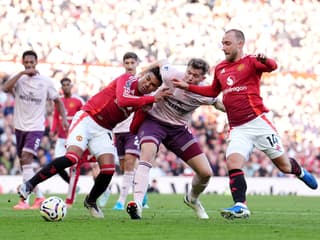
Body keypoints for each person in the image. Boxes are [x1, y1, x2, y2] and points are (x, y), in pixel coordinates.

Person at [172, 29, 318, 220]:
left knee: (284, 166)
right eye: (222, 43)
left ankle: (299, 171)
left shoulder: (251, 61)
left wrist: (265, 60)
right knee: (233, 162)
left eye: (227, 43)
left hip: (258, 122)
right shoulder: (221, 68)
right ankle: (240, 205)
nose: (223, 47)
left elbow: (273, 66)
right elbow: (212, 91)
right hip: (238, 127)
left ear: (240, 44)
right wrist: (188, 86)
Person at [17, 66, 171, 218]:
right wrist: (150, 99)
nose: (147, 84)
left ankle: (90, 201)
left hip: (104, 130)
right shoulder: (127, 79)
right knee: (72, 158)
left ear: (154, 89)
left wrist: (143, 111)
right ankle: (29, 185)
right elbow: (123, 100)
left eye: (152, 86)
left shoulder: (143, 100)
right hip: (87, 119)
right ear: (143, 74)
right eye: (147, 79)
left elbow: (133, 127)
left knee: (109, 169)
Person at [126, 58, 225, 220]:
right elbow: (161, 62)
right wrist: (144, 72)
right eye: (189, 73)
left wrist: (237, 109)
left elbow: (219, 104)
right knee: (147, 154)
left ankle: (192, 199)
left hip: (178, 130)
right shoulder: (171, 74)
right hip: (154, 122)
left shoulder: (204, 93)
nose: (190, 77)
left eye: (195, 76)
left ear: (203, 78)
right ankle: (137, 205)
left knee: (206, 172)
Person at [3, 50, 68, 210]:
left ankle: (25, 199)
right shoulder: (19, 80)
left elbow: (58, 101)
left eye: (32, 62)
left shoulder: (45, 82)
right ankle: (38, 197)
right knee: (24, 163)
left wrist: (63, 118)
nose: (30, 65)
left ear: (37, 62)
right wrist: (22, 73)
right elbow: (5, 88)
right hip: (19, 127)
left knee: (26, 157)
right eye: (27, 63)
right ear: (23, 63)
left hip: (36, 127)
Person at [99, 52, 149, 210]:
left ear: (137, 63)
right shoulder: (120, 82)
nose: (129, 66)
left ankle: (121, 201)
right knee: (124, 166)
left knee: (129, 162)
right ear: (123, 64)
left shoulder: (141, 83)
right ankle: (142, 190)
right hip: (118, 130)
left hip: (132, 129)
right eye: (126, 63)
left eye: (132, 63)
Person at [50, 77, 85, 207]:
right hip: (61, 138)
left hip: (74, 138)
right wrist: (53, 129)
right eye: (63, 85)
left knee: (73, 165)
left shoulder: (78, 101)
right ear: (61, 87)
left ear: (71, 86)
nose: (65, 87)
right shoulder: (59, 101)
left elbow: (84, 116)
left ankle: (71, 193)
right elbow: (55, 116)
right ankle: (73, 185)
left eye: (67, 84)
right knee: (57, 165)